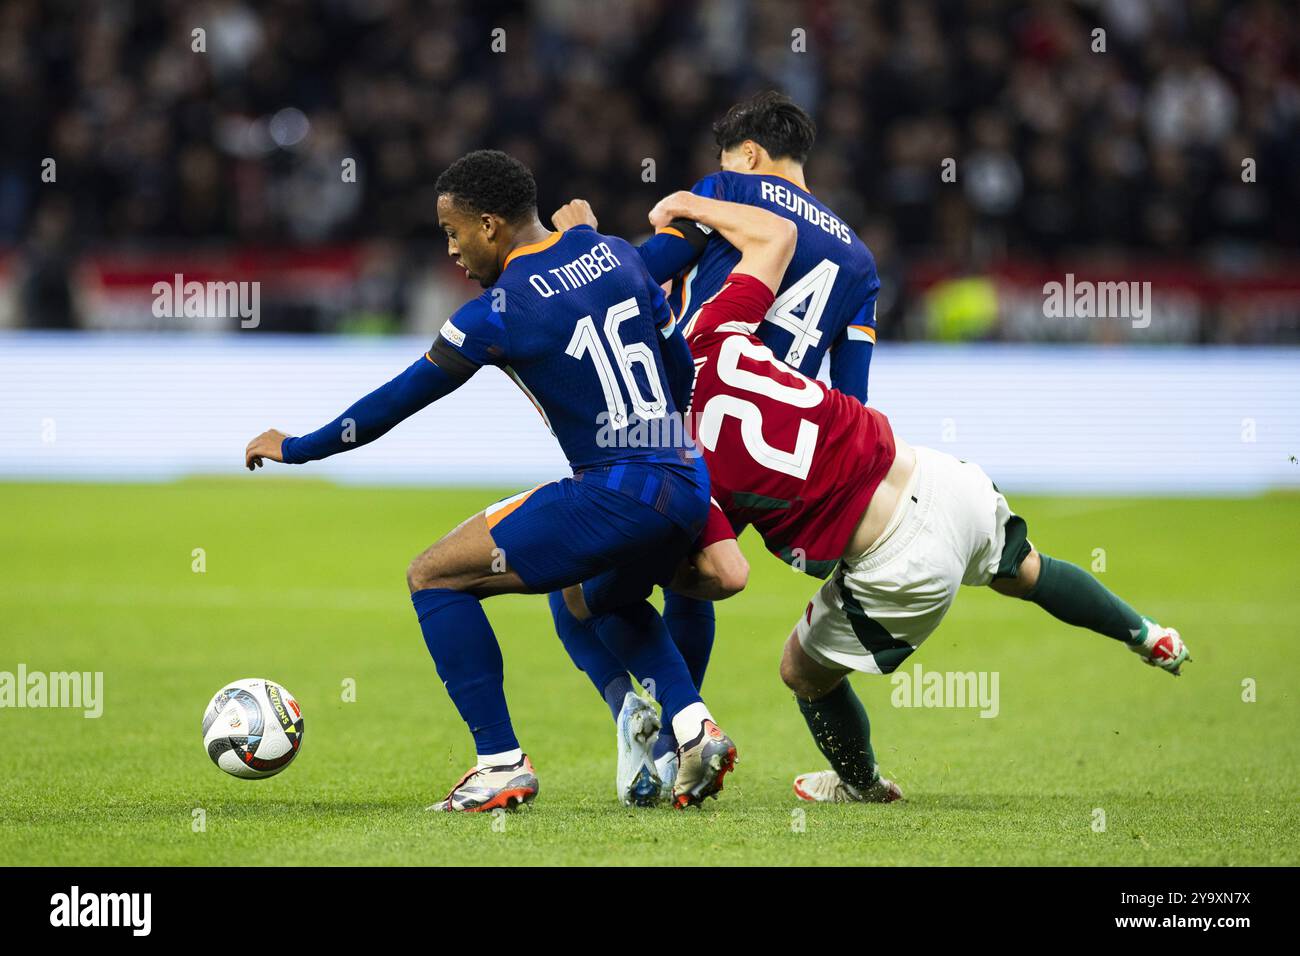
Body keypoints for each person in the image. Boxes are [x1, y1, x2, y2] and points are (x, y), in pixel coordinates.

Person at [637, 189, 1191, 804]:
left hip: (897, 563)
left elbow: (724, 573)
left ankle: (863, 783)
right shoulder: (716, 329)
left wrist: (644, 575)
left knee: (802, 672)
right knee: (1027, 570)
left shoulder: (680, 459)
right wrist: (692, 201)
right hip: (942, 479)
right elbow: (774, 237)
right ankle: (1147, 633)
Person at [244, 150, 736, 811]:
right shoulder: (618, 255)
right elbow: (678, 364)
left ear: (489, 225)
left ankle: (501, 763)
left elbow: (395, 401)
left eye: (452, 233)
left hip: (616, 490)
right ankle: (690, 725)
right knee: (591, 600)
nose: (450, 250)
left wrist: (299, 447)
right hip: (685, 479)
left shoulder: (495, 312)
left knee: (434, 574)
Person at [548, 91, 884, 803]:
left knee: (576, 582)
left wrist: (583, 243)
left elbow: (634, 277)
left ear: (751, 156)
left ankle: (662, 725)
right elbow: (853, 398)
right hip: (776, 454)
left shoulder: (729, 193)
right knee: (685, 572)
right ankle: (681, 734)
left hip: (693, 414)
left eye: (726, 158)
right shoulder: (860, 260)